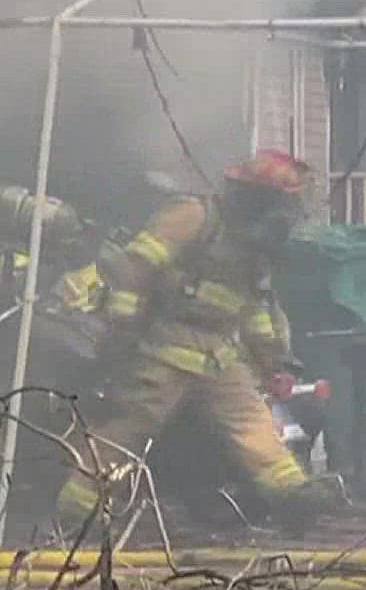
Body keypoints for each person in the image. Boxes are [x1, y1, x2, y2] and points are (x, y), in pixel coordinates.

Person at [54, 149, 333, 534]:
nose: (285, 217)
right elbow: (136, 269)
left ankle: (292, 498)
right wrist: (122, 328)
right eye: (280, 205)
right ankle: (76, 510)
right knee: (132, 424)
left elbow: (251, 311)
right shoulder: (194, 217)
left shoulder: (252, 248)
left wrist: (273, 364)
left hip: (217, 354)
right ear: (253, 200)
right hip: (161, 347)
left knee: (253, 422)